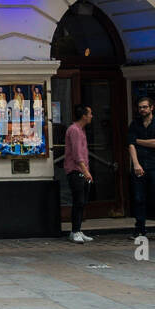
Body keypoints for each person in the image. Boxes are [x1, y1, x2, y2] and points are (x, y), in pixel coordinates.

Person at [128, 96, 155, 242]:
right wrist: (136, 164)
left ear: (151, 108)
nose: (142, 110)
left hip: (154, 166)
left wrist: (137, 141)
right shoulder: (135, 124)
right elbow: (130, 145)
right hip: (139, 166)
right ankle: (140, 230)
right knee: (139, 199)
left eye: (145, 107)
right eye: (140, 107)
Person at [64, 104, 94, 243]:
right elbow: (77, 155)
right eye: (90, 114)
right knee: (78, 201)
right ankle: (74, 231)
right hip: (76, 171)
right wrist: (86, 171)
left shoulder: (81, 130)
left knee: (82, 202)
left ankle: (78, 229)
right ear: (84, 115)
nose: (91, 116)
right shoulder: (75, 130)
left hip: (81, 170)